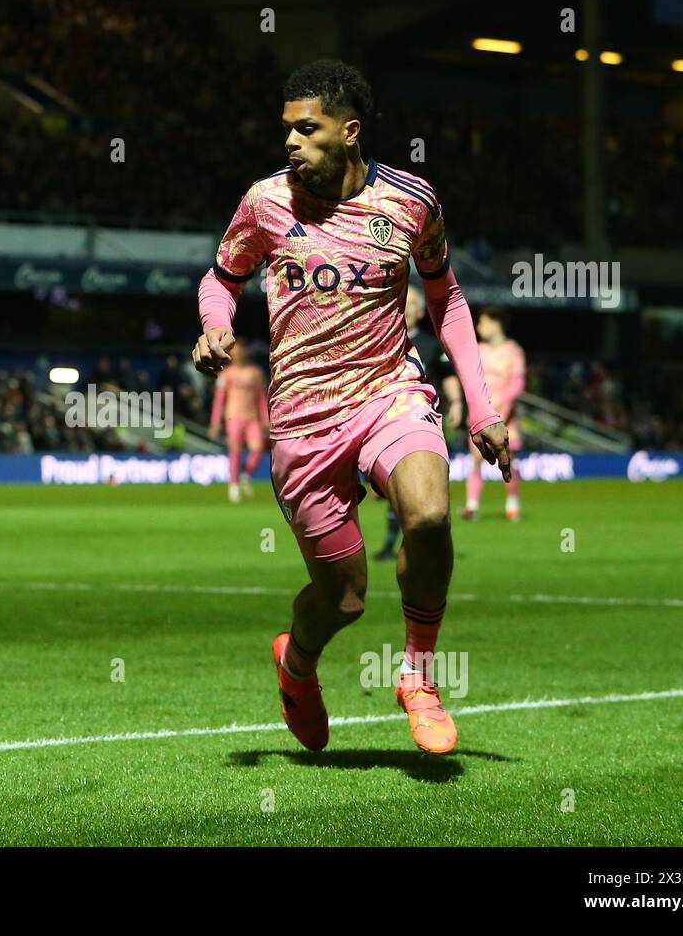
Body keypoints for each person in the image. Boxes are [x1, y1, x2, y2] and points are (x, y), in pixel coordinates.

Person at [193, 59, 509, 754]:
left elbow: (446, 298)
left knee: (427, 515)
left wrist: (481, 410)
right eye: (287, 130)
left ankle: (418, 676)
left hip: (388, 393)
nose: (291, 142)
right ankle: (296, 666)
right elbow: (221, 279)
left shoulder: (411, 200)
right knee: (343, 600)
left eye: (307, 129)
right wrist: (215, 324)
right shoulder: (265, 202)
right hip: (303, 421)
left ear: (349, 131)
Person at [373, 282, 460, 561]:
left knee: (415, 486)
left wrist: (457, 403)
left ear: (421, 312)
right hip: (380, 420)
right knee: (394, 489)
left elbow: (448, 376)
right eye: (404, 302)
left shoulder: (432, 345)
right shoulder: (375, 339)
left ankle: (411, 543)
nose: (407, 309)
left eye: (412, 305)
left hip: (422, 421)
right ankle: (403, 542)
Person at [462, 307, 525, 521]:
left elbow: (517, 383)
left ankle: (512, 503)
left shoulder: (513, 351)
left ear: (496, 324)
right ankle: (471, 505)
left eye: (483, 322)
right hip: (481, 413)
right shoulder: (478, 349)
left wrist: (503, 407)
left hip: (505, 415)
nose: (479, 327)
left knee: (507, 459)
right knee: (476, 459)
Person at [208, 343, 269, 502]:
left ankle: (245, 474)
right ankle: (233, 486)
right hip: (233, 417)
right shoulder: (226, 374)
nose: (237, 355)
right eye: (235, 352)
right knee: (235, 452)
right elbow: (219, 400)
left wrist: (265, 418)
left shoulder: (255, 373)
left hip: (252, 418)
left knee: (258, 448)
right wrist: (215, 423)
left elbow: (261, 398)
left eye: (240, 351)